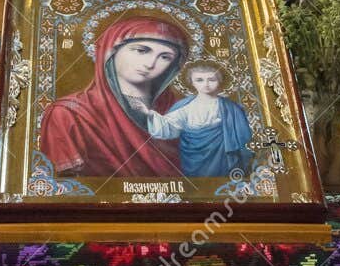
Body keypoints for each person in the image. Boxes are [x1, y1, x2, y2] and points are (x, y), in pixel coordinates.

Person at [38, 15, 189, 179]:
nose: (150, 64)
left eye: (165, 57)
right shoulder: (69, 114)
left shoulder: (183, 110)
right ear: (111, 51)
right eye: (141, 50)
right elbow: (65, 187)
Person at [146, 62, 256, 179]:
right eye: (199, 80)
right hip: (192, 161)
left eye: (211, 79)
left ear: (220, 81)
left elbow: (244, 138)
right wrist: (149, 115)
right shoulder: (185, 107)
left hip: (223, 159)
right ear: (191, 82)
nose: (206, 84)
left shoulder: (231, 108)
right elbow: (168, 127)